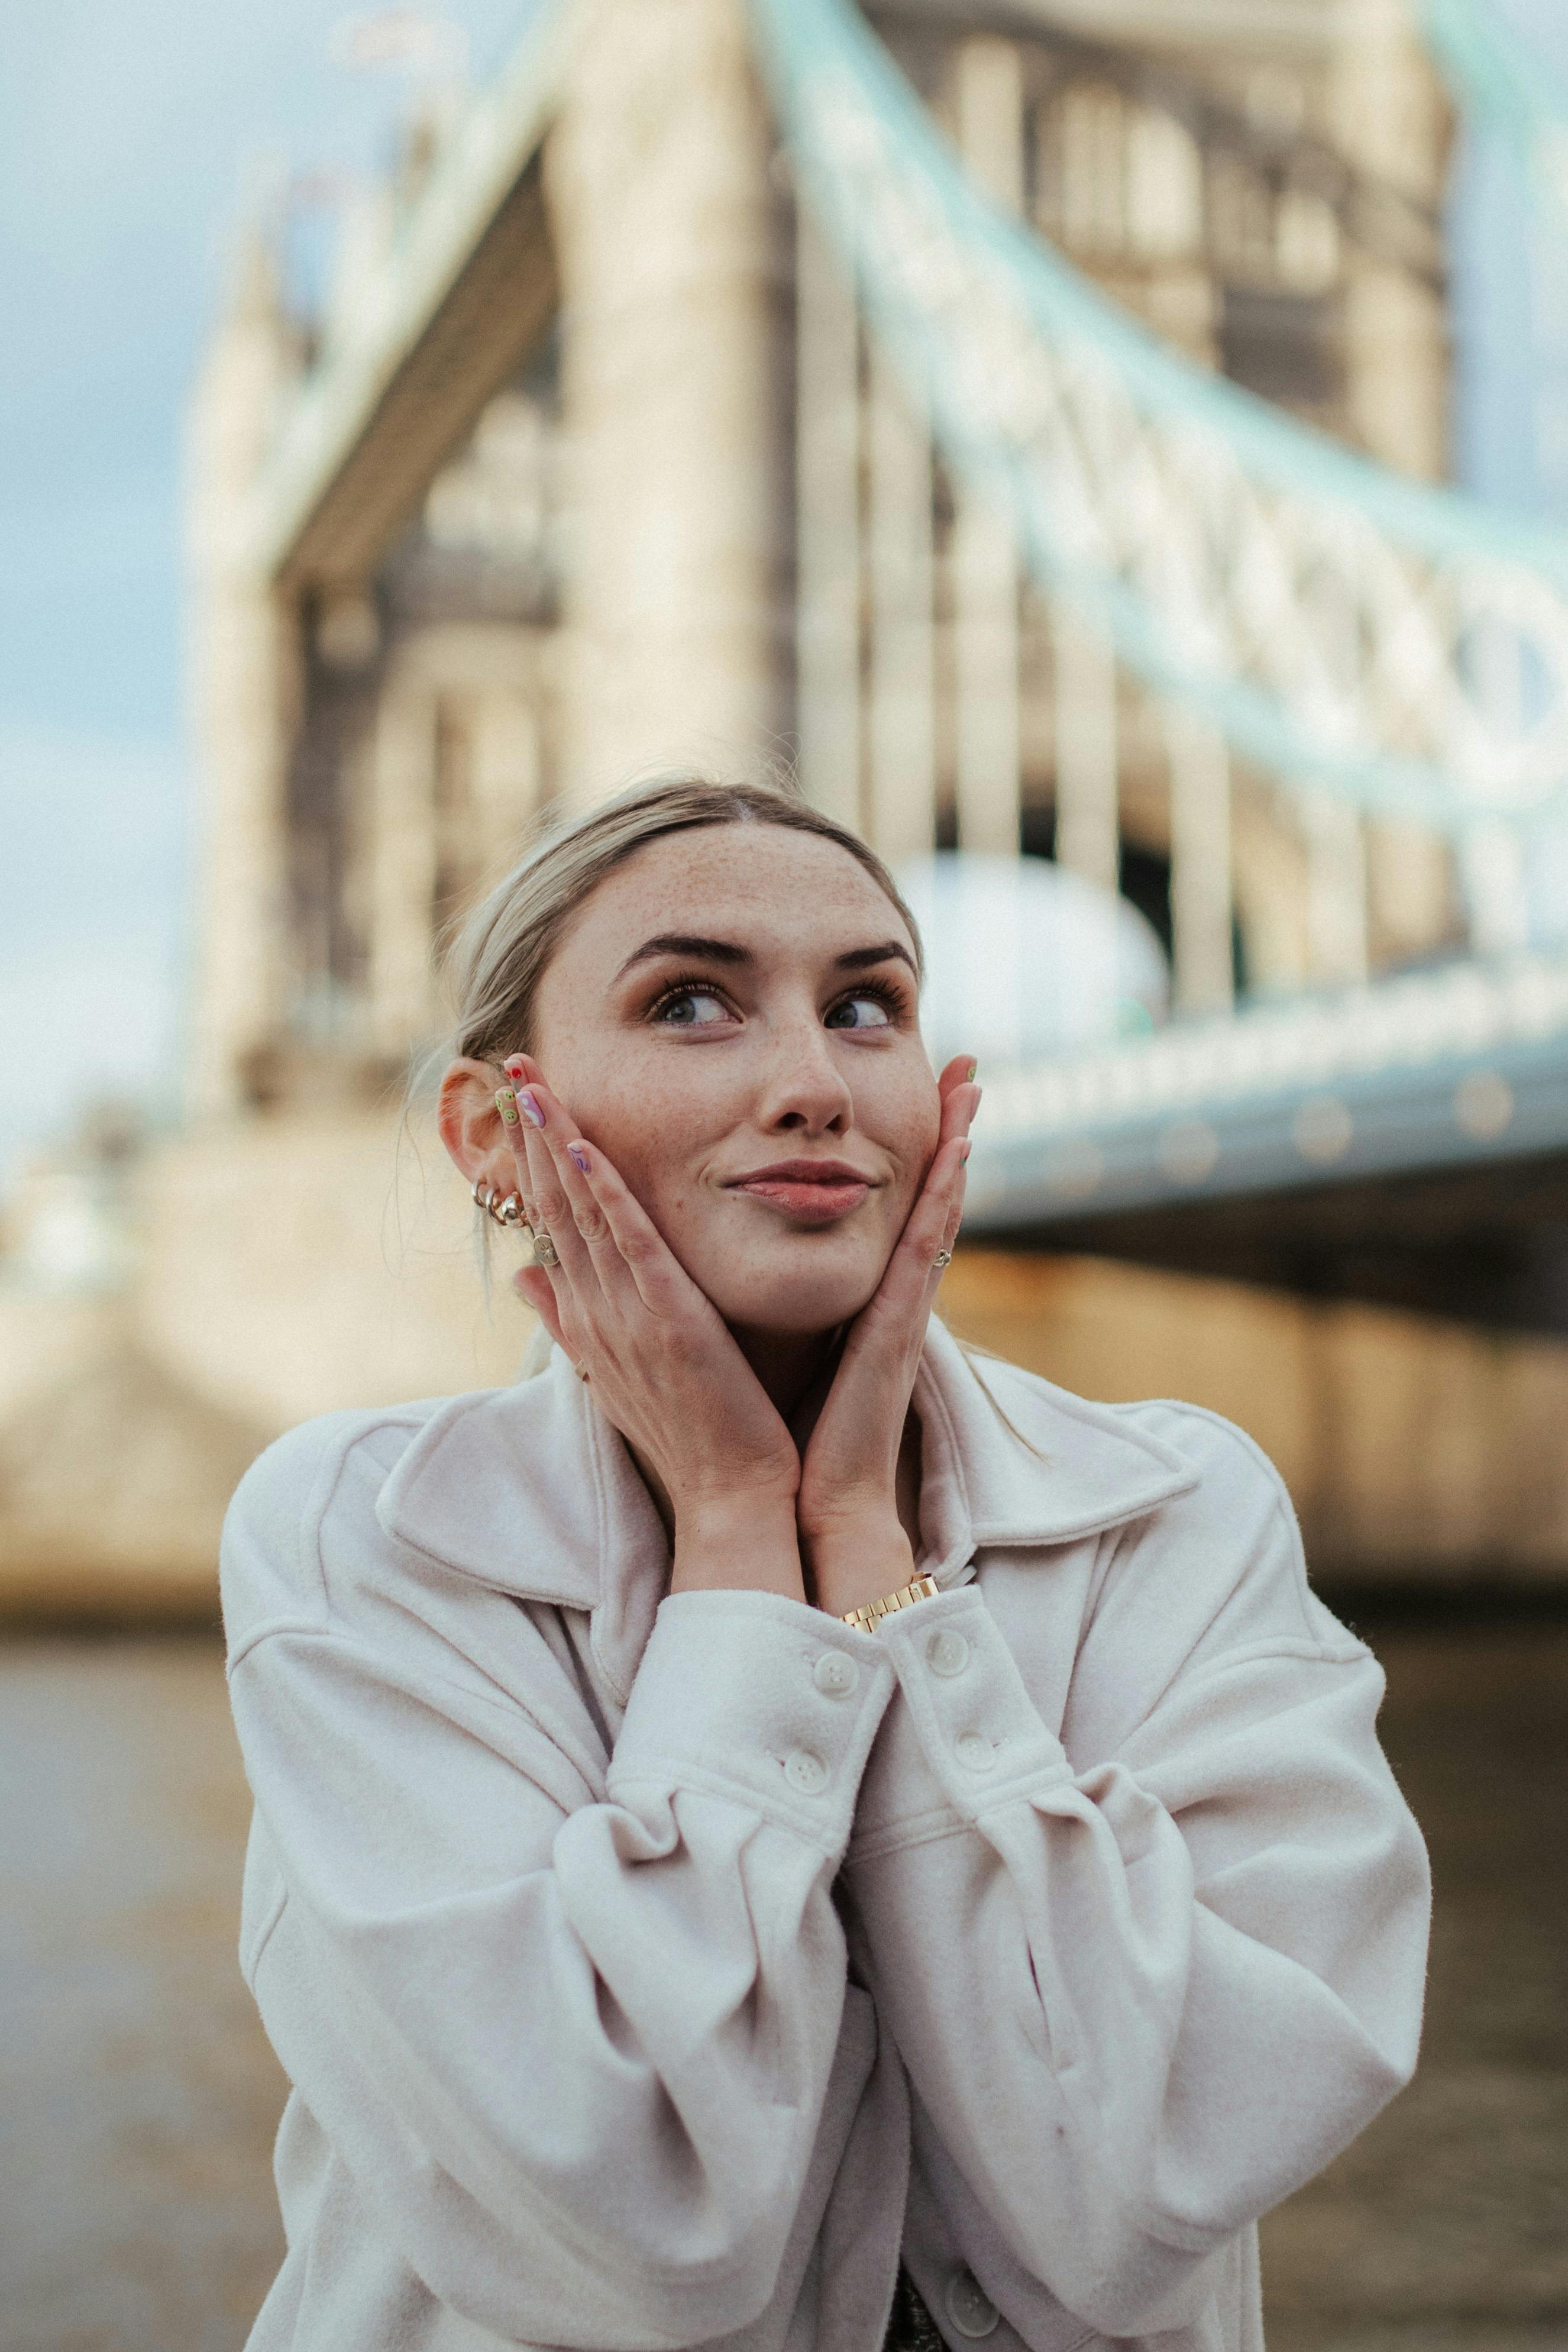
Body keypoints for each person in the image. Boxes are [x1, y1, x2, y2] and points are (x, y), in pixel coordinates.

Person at [221, 775, 1429, 2352]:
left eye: (867, 1008)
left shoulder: (1173, 1507)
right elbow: (649, 2245)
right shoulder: (366, 1540)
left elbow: (1133, 2203)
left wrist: (870, 1566)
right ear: (492, 1133)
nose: (812, 1082)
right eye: (692, 1003)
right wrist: (735, 1525)